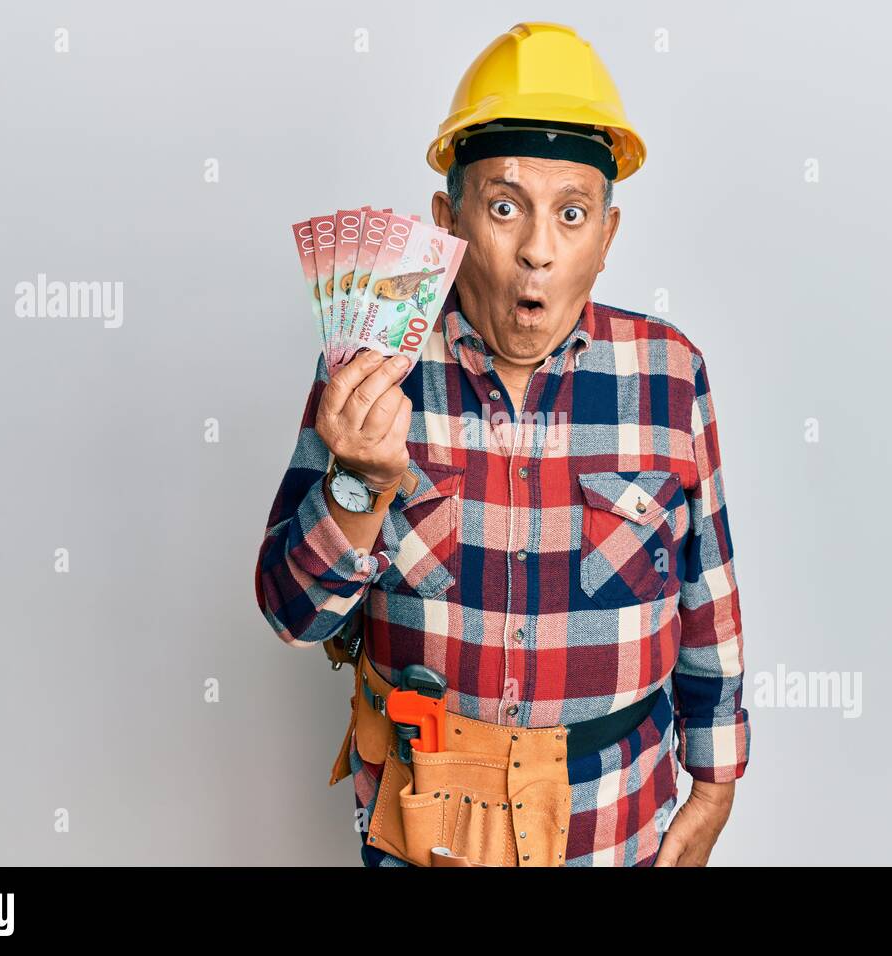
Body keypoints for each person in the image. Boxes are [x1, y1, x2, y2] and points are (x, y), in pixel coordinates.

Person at [255, 22, 749, 867]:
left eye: (571, 213)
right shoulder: (374, 370)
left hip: (615, 829)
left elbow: (706, 596)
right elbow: (293, 618)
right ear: (448, 223)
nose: (538, 252)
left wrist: (714, 785)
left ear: (608, 234)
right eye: (505, 206)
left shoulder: (670, 374)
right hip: (424, 832)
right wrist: (357, 487)